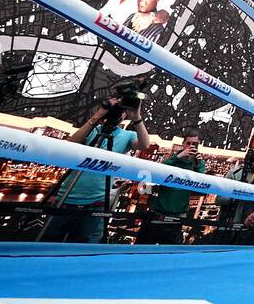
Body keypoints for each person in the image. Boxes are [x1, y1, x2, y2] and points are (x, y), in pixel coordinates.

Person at [42, 96, 151, 243]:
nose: (117, 112)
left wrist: (136, 117)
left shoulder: (127, 136)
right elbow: (72, 144)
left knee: (82, 248)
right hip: (66, 198)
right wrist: (98, 115)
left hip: (96, 203)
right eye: (114, 109)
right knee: (48, 243)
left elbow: (144, 145)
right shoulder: (92, 129)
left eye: (121, 110)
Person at [138, 132, 206, 244]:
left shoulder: (198, 163)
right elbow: (158, 172)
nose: (191, 146)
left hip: (178, 214)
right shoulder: (172, 159)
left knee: (168, 249)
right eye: (188, 143)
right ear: (183, 144)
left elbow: (200, 184)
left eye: (195, 144)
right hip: (158, 212)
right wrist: (177, 157)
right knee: (144, 245)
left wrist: (198, 164)